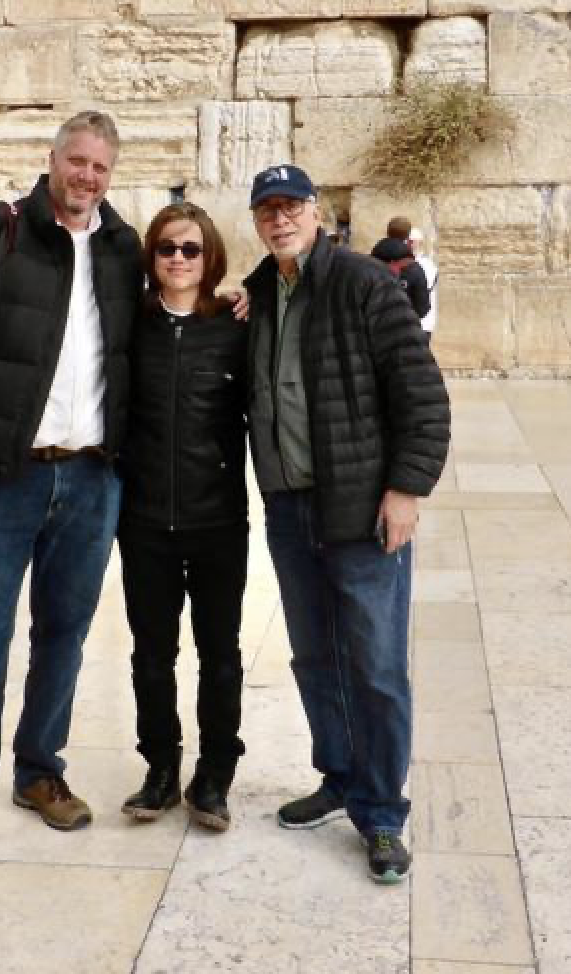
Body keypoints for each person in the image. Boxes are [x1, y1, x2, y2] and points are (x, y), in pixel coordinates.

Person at [0, 111, 143, 878]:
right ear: (51, 161)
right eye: (76, 162)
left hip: (89, 477)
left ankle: (40, 770)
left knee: (65, 637)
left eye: (100, 168)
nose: (87, 178)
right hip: (2, 475)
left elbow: (160, 320)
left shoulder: (121, 245)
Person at [243, 164, 450, 883]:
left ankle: (384, 812)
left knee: (377, 666)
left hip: (363, 509)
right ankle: (338, 775)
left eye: (291, 205)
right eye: (267, 210)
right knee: (313, 656)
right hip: (290, 507)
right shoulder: (260, 292)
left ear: (317, 212)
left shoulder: (364, 282)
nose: (280, 219)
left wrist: (406, 489)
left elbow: (421, 393)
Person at [118, 203, 248, 833]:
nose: (178, 259)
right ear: (153, 256)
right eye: (167, 248)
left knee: (219, 654)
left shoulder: (235, 325)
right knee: (151, 655)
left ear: (209, 257)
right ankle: (162, 768)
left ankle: (216, 772)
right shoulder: (131, 324)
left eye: (190, 250)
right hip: (144, 520)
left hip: (218, 520)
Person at [385, 216, 430, 326]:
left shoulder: (368, 262)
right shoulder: (415, 268)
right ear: (407, 237)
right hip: (404, 329)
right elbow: (422, 307)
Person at [408, 225, 438, 344]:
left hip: (422, 320)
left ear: (418, 243)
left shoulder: (427, 265)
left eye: (411, 242)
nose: (409, 244)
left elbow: (424, 288)